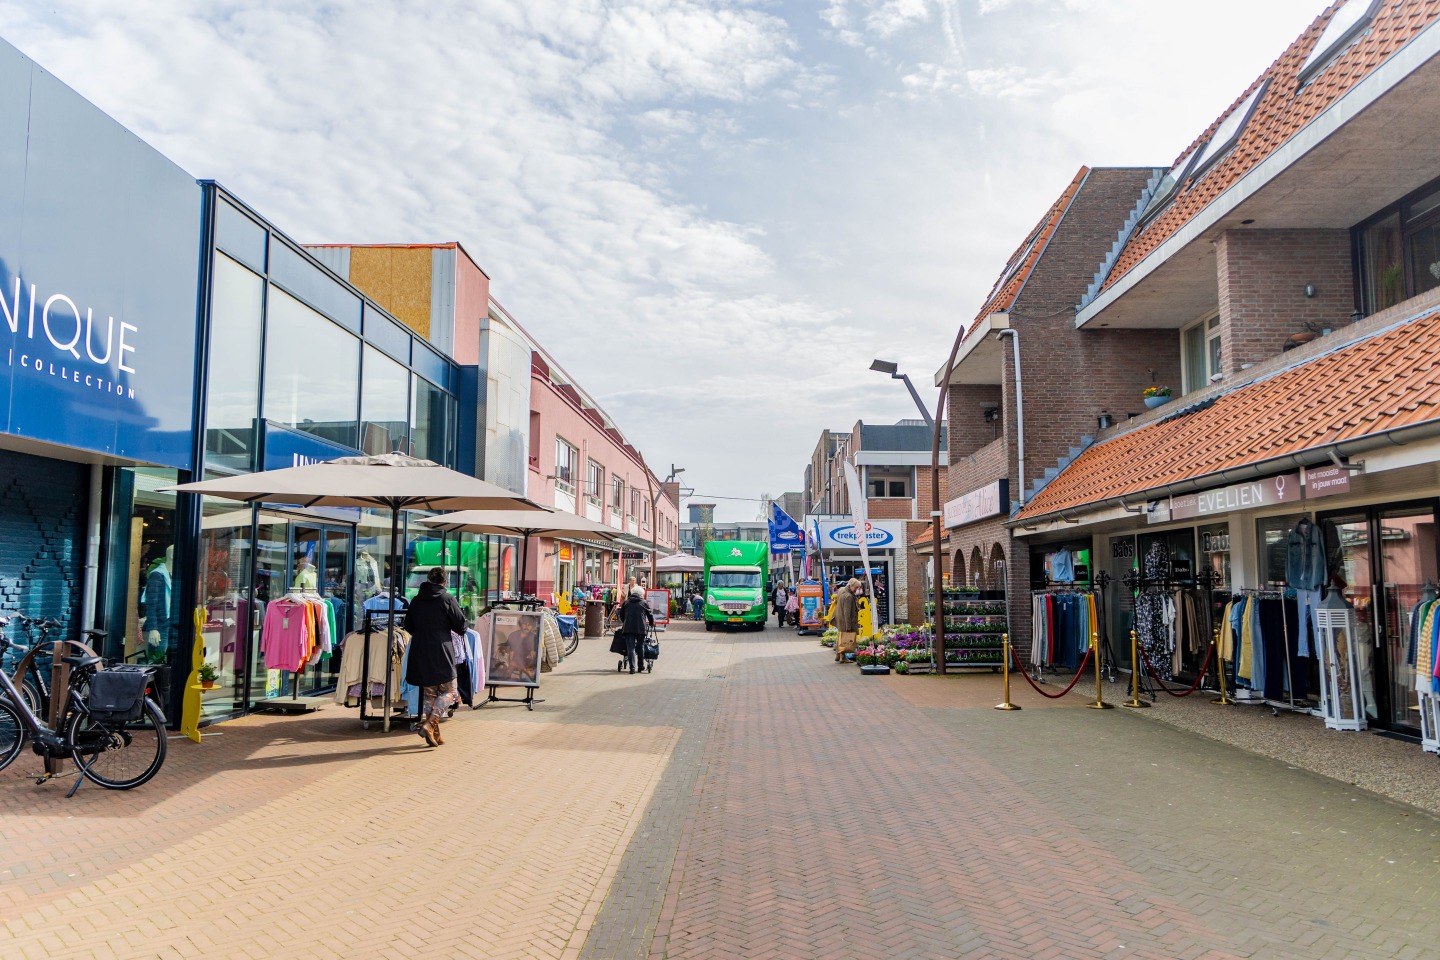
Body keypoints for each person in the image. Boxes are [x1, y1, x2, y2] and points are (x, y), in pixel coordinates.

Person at [404, 567, 466, 747]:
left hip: (420, 648)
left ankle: (434, 733)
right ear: (444, 582)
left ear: (428, 580)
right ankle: (430, 724)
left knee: (430, 692)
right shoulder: (447, 599)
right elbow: (461, 626)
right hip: (441, 648)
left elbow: (408, 625)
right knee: (450, 690)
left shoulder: (416, 600)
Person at [616, 586, 655, 674]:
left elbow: (621, 614)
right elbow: (650, 614)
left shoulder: (626, 603)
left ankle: (632, 668)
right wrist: (652, 623)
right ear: (641, 594)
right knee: (640, 646)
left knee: (631, 648)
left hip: (628, 628)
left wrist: (625, 621)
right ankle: (640, 667)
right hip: (640, 628)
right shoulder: (643, 602)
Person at [833, 578, 860, 663]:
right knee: (845, 638)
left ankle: (838, 655)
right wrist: (848, 625)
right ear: (851, 586)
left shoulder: (841, 591)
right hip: (845, 620)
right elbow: (847, 612)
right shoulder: (848, 596)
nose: (856, 590)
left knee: (841, 636)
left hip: (839, 617)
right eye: (855, 588)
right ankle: (842, 657)